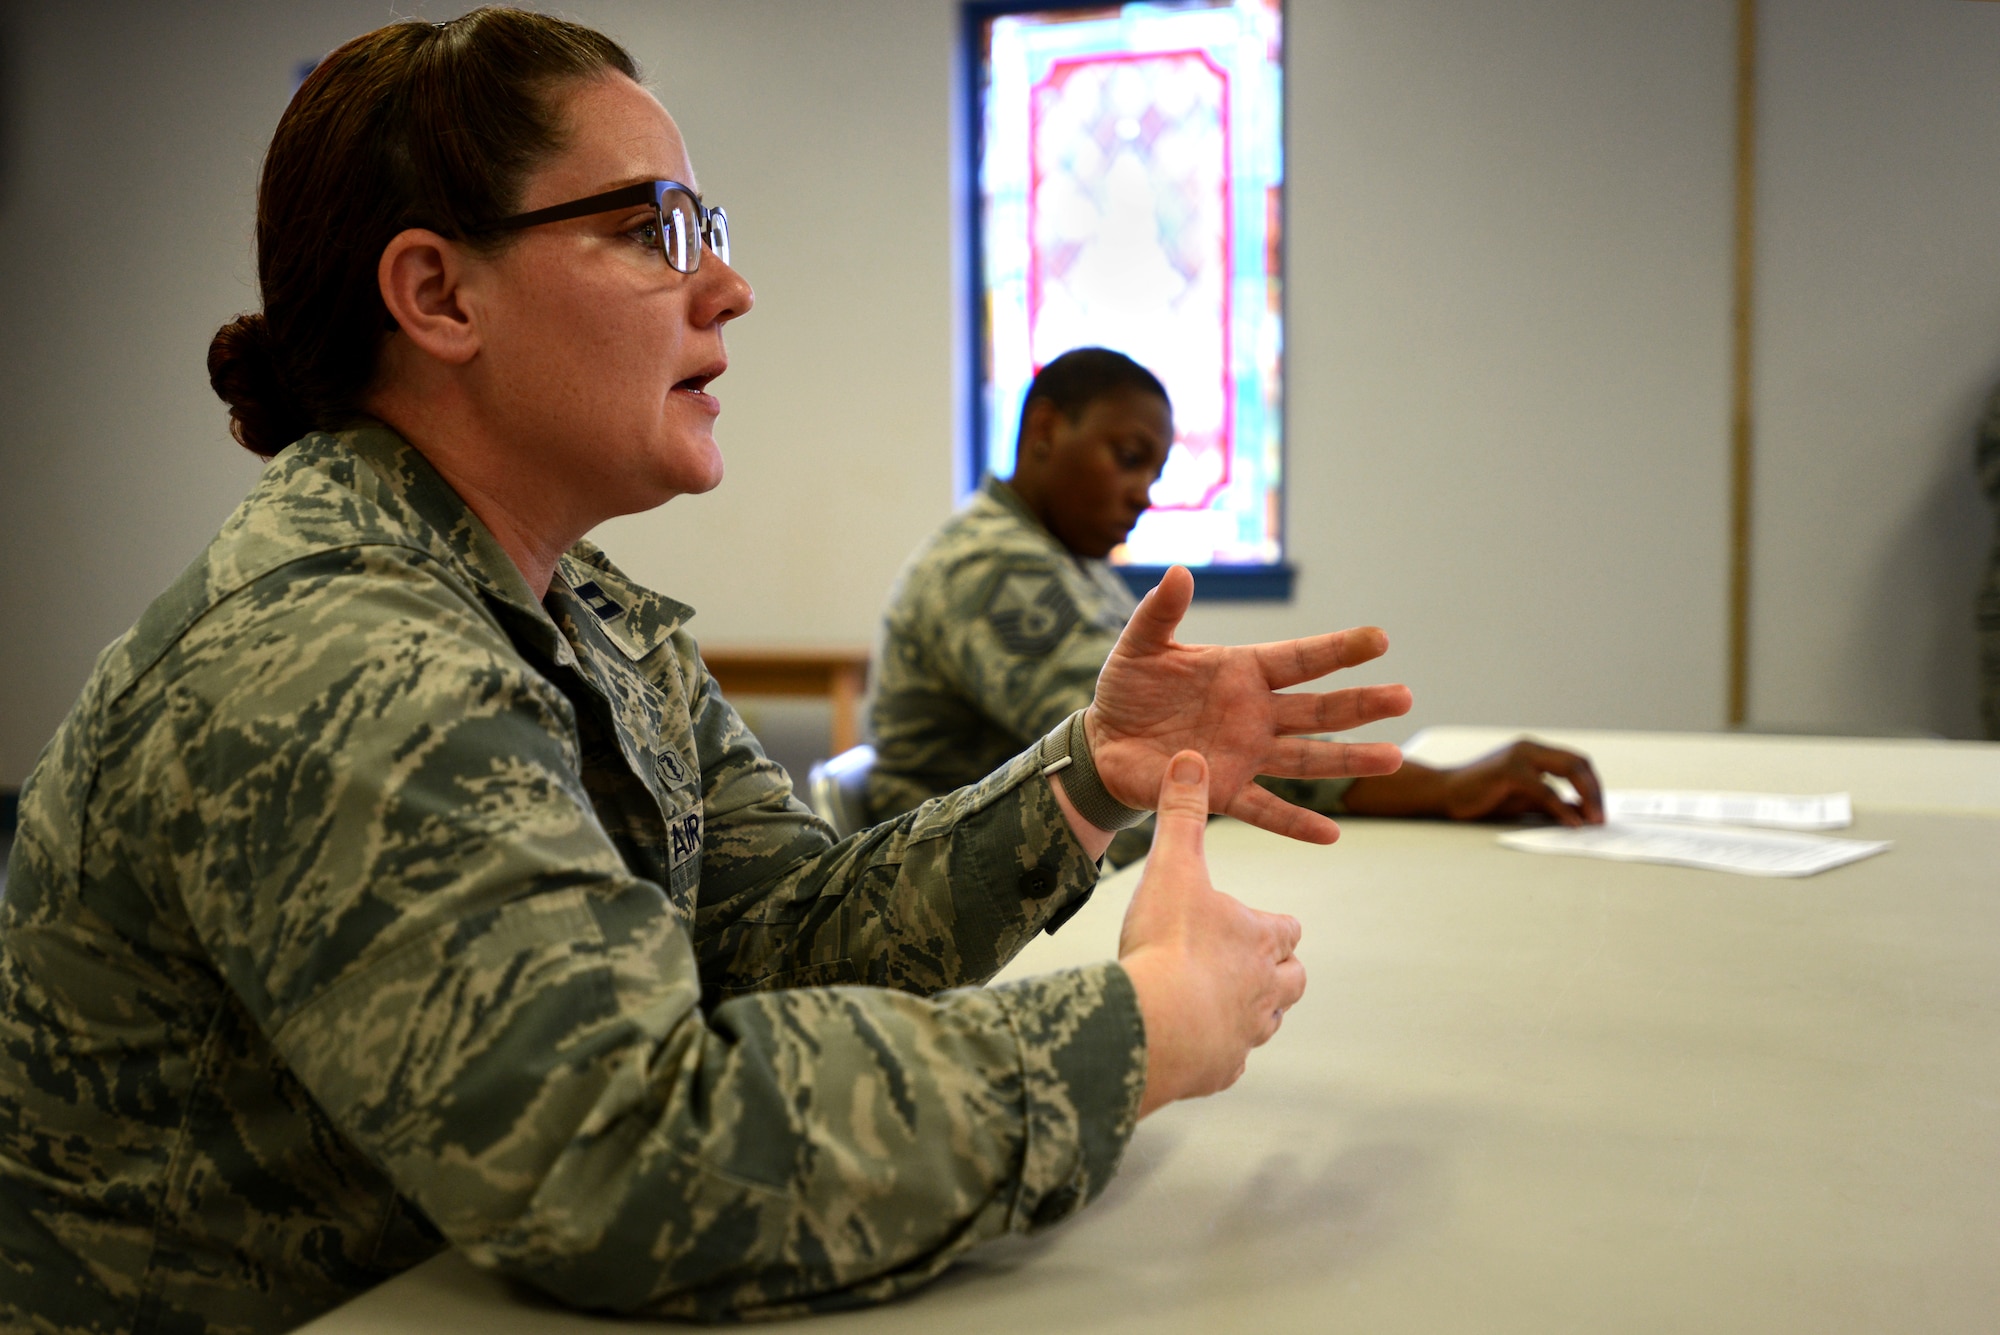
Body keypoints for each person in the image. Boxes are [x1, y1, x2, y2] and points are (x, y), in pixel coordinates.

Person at [0, 12, 1417, 1334]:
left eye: (708, 228)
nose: (727, 285)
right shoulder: (334, 647)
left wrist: (1080, 775)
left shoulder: (575, 599)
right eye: (654, 228)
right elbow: (622, 1157)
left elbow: (780, 935)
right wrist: (1141, 1030)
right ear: (438, 293)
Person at [868, 347, 1606, 862]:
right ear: (1045, 431)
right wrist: (1441, 787)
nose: (1144, 494)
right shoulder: (992, 566)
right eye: (1129, 457)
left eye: (1155, 472)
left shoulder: (1064, 558)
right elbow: (1168, 744)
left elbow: (1185, 731)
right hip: (963, 920)